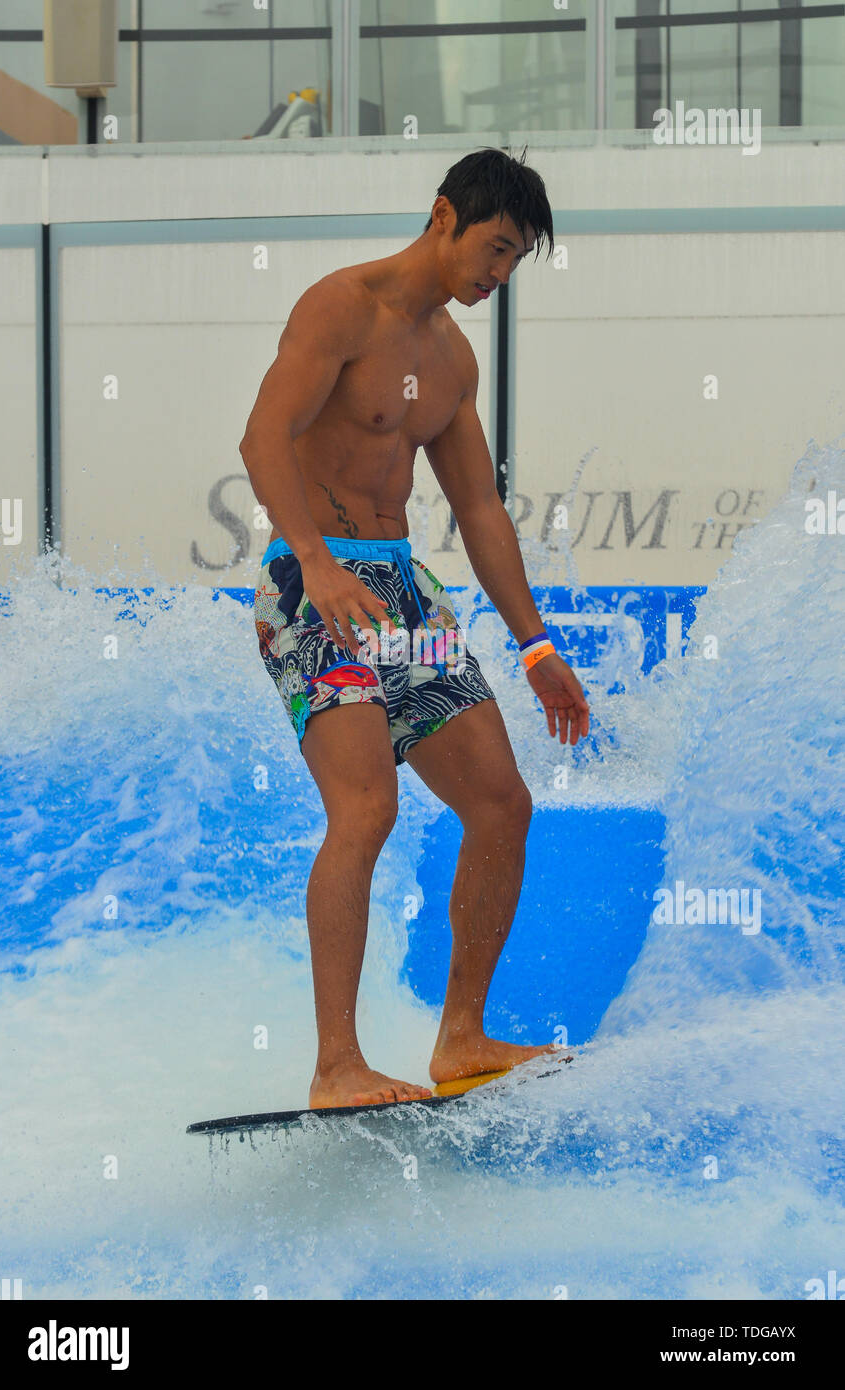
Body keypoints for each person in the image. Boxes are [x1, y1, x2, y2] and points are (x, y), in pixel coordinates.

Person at [240, 147, 590, 1110]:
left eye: (515, 261)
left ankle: (460, 1038)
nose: (499, 274)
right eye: (496, 248)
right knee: (366, 810)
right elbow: (262, 437)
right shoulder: (340, 307)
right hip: (311, 587)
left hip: (401, 599)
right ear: (444, 216)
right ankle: (335, 1065)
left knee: (501, 804)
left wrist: (535, 646)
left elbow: (477, 510)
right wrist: (313, 559)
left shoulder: (451, 358)